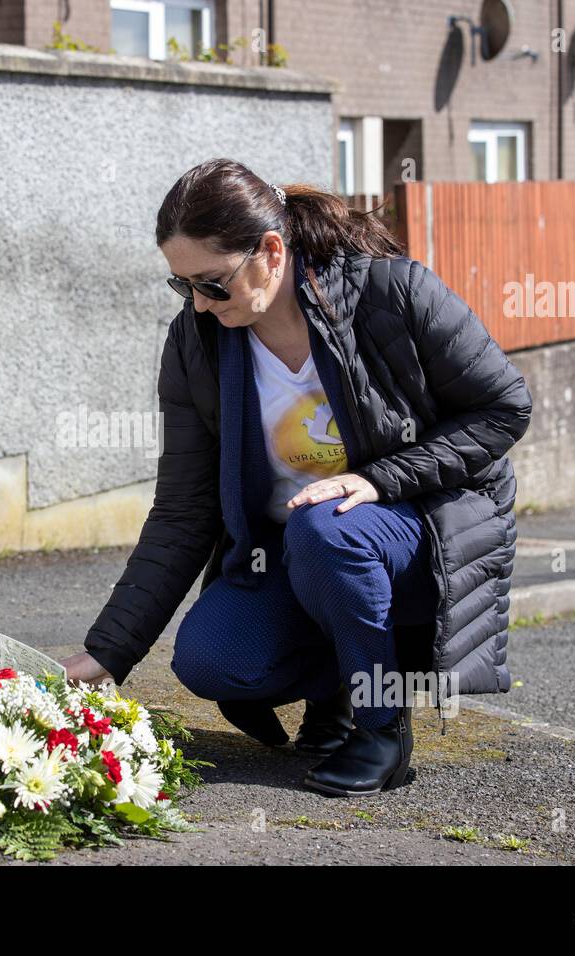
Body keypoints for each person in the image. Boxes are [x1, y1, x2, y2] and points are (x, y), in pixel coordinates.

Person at [59, 158, 533, 796]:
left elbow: (503, 408)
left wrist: (379, 480)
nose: (199, 302)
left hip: (420, 531)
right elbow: (183, 508)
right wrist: (108, 652)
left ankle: (381, 727)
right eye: (182, 286)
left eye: (212, 282)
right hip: (294, 552)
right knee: (212, 661)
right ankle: (333, 681)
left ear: (271, 251)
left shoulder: (393, 294)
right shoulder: (197, 342)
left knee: (327, 527)